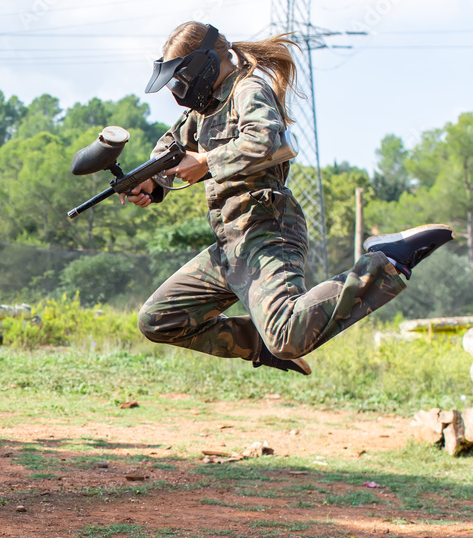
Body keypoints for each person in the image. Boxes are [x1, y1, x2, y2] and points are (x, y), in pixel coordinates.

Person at [122, 22, 454, 373]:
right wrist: (150, 182)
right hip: (231, 244)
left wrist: (206, 161)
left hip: (268, 231)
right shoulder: (204, 111)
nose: (178, 88)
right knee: (159, 319)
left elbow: (264, 140)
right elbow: (169, 151)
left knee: (289, 337)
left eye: (180, 77)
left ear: (200, 64)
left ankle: (386, 261)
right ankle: (261, 345)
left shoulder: (248, 90)